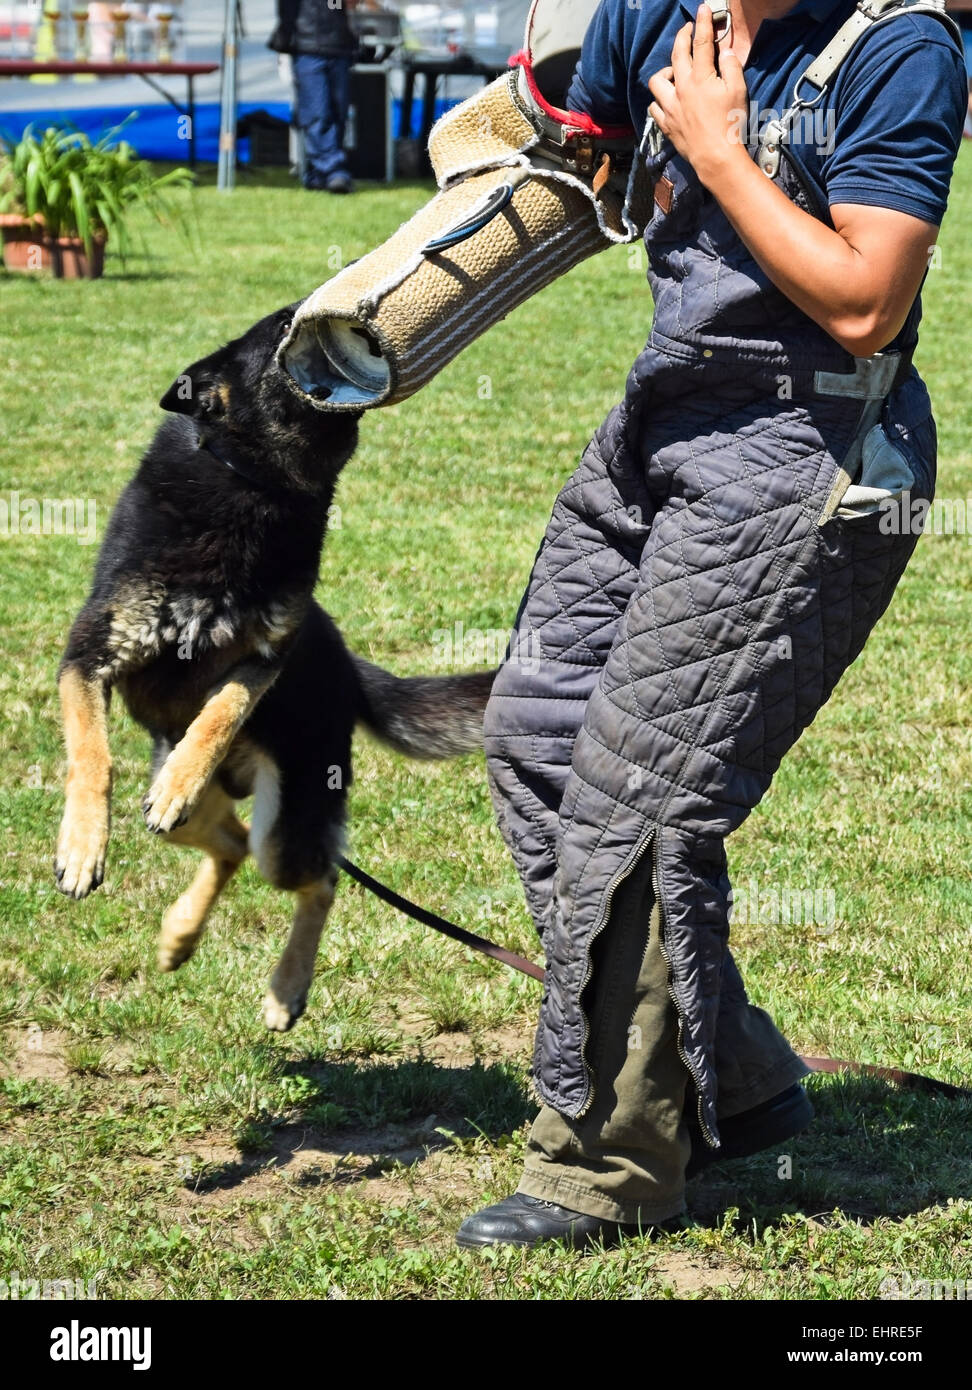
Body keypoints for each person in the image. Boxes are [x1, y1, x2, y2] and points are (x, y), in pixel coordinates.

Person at [456, 0, 967, 1250]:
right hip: (662, 425)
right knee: (534, 733)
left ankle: (606, 1167)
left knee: (639, 796)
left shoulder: (900, 48)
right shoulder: (653, 16)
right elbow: (554, 147)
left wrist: (724, 152)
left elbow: (869, 302)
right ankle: (731, 1071)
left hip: (815, 448)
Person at [269, 0, 357, 193]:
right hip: (306, 47)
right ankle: (333, 169)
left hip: (338, 46)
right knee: (317, 113)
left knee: (338, 113)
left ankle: (317, 174)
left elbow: (345, 6)